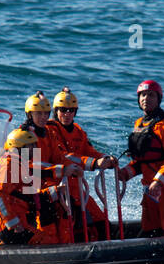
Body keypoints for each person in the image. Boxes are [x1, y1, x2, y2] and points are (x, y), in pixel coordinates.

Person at [48, 87, 118, 241]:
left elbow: (89, 151)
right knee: (71, 227)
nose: (67, 114)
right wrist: (94, 163)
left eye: (71, 110)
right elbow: (64, 157)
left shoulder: (78, 131)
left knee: (101, 223)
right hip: (61, 187)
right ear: (56, 110)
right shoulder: (50, 130)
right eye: (63, 110)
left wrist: (106, 158)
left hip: (78, 188)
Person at [118, 78, 164, 236]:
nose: (145, 99)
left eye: (150, 95)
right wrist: (125, 173)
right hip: (148, 191)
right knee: (149, 231)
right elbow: (142, 161)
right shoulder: (139, 124)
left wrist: (159, 181)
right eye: (142, 95)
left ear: (158, 99)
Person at [0, 128, 70, 246]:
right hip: (10, 226)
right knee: (47, 243)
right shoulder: (8, 166)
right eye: (31, 146)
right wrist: (12, 222)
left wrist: (54, 191)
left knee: (50, 239)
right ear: (20, 148)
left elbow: (26, 195)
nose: (34, 148)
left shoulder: (19, 164)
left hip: (19, 222)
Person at [20, 90, 77, 244]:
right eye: (39, 113)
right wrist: (60, 170)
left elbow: (58, 158)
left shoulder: (48, 134)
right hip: (31, 190)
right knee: (48, 220)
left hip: (48, 186)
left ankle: (66, 248)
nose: (44, 117)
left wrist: (73, 167)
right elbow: (27, 168)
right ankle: (49, 249)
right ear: (30, 114)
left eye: (46, 113)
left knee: (69, 211)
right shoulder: (23, 136)